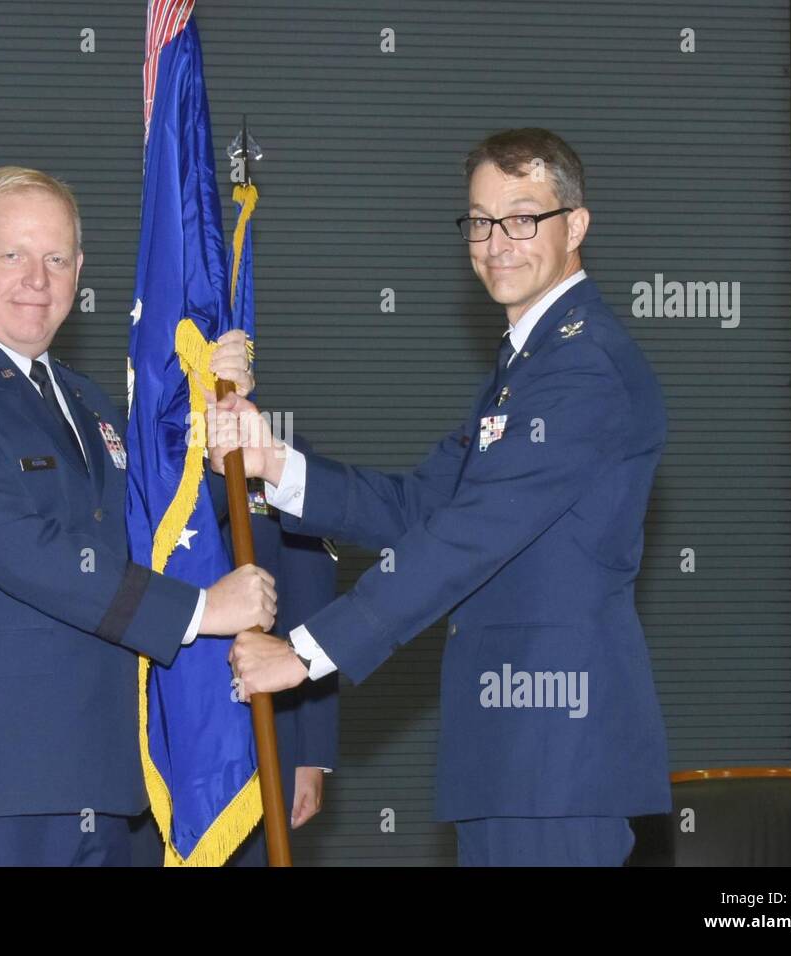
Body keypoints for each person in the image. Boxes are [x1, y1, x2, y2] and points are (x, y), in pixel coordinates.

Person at [215, 128, 671, 866]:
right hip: (509, 756)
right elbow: (420, 508)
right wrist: (275, 464)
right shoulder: (528, 362)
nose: (497, 242)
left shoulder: (581, 368)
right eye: (481, 220)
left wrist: (305, 653)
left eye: (523, 218)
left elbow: (468, 536)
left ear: (576, 226)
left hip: (556, 757)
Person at [0, 166, 272, 866]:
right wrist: (199, 609)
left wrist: (213, 450)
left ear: (79, 271)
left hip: (109, 786)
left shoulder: (88, 404)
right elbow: (23, 550)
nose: (37, 278)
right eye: (12, 254)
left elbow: (148, 533)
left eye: (56, 259)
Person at [207, 436, 340, 867]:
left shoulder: (274, 453)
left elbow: (311, 606)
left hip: (256, 719)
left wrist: (311, 754)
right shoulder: (134, 443)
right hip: (152, 730)